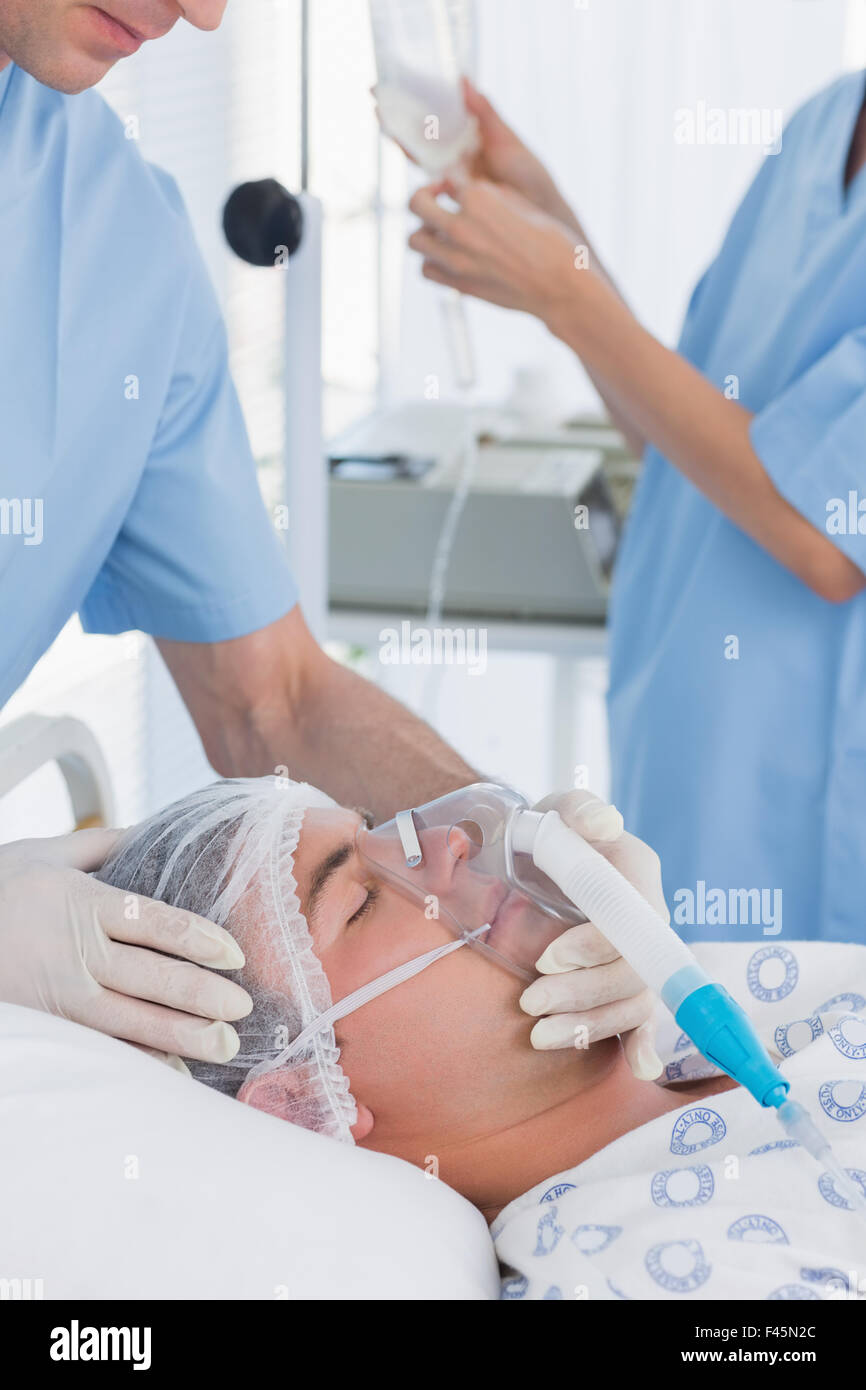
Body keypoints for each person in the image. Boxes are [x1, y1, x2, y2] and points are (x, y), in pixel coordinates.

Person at [94, 774, 866, 1300]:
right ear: (304, 1099)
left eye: (381, 830)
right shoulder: (627, 1269)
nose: (456, 838)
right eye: (359, 901)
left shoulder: (728, 1001)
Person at [403, 76, 866, 943]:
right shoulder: (823, 125)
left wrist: (566, 297)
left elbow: (828, 537)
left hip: (814, 815)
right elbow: (680, 435)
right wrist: (556, 239)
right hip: (692, 764)